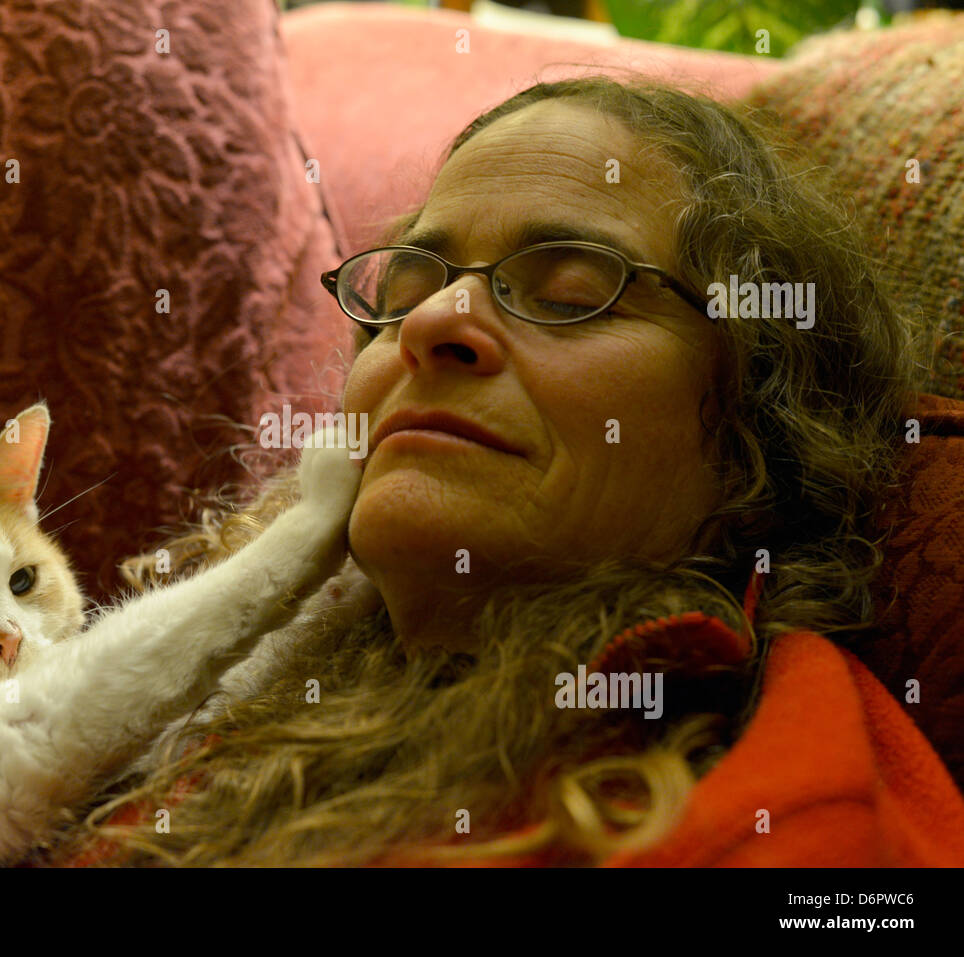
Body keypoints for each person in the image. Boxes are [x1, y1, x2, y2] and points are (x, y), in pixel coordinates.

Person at [58, 77, 964, 867]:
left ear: (759, 428)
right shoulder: (200, 680)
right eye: (406, 291)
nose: (428, 325)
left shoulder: (785, 811)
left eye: (572, 294)